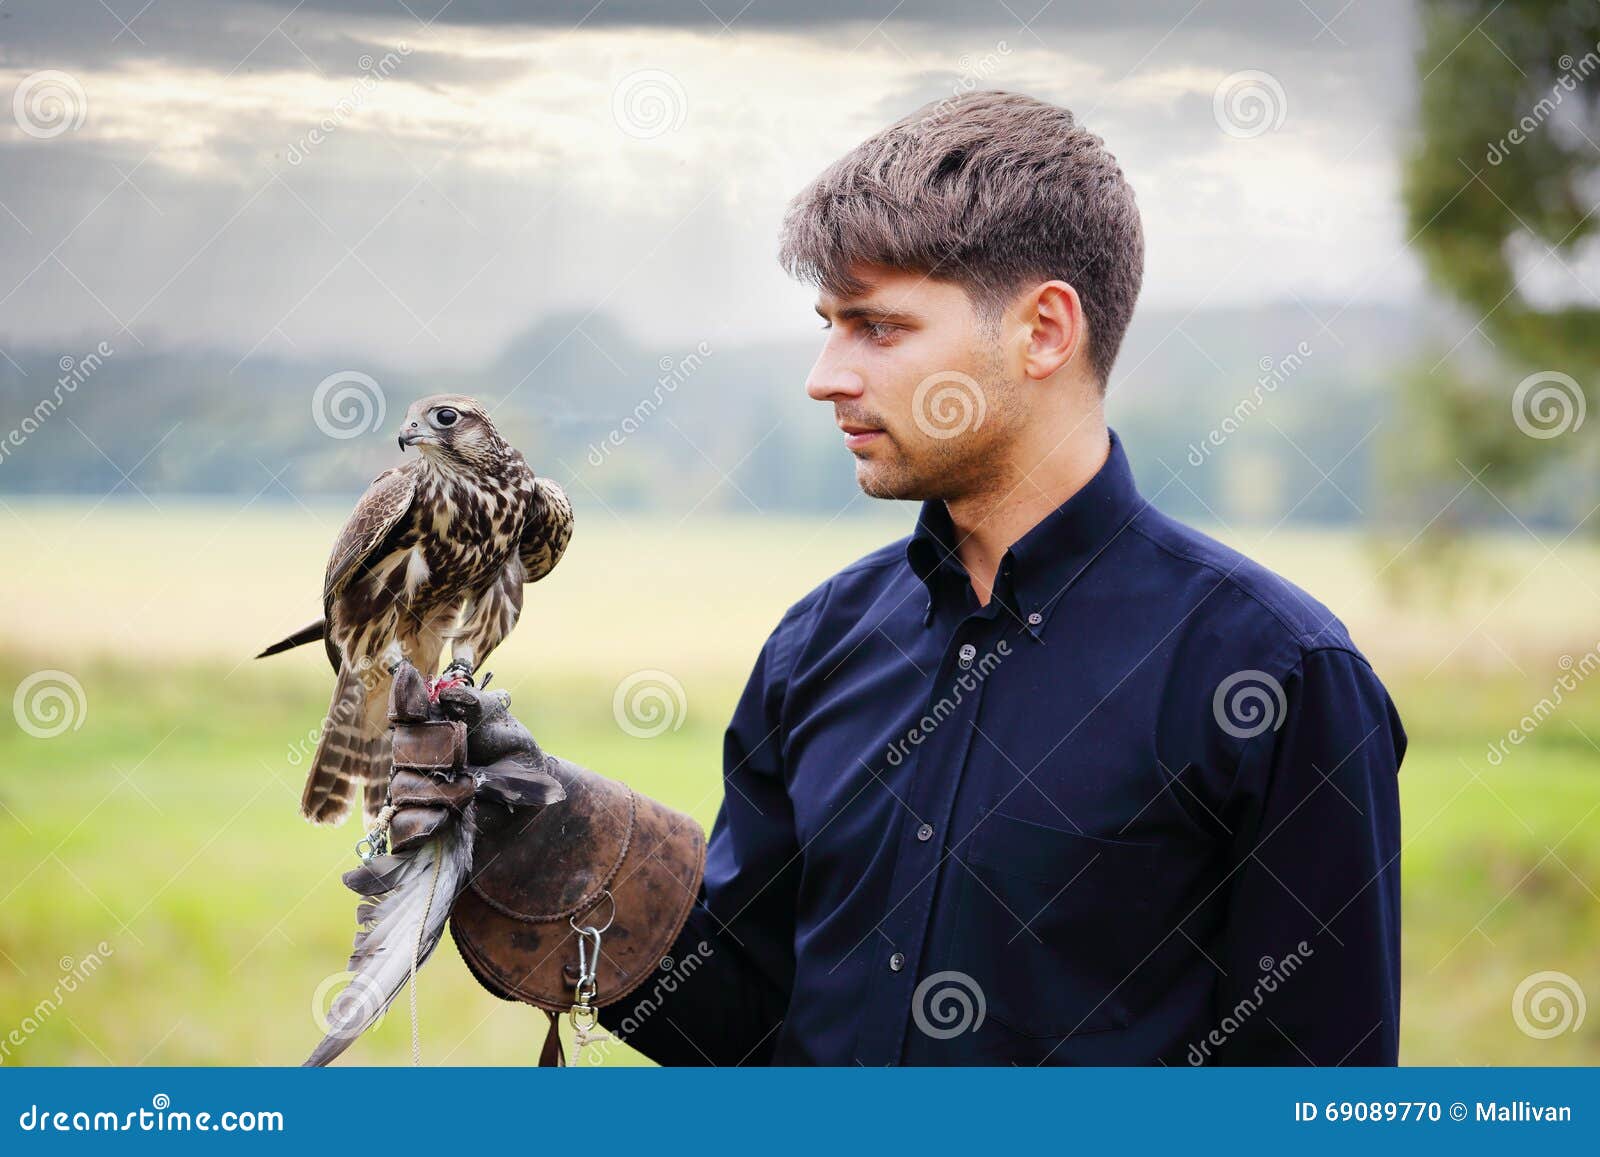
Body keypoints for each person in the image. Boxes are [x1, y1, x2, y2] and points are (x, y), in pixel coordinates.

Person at [592, 90, 1405, 1066]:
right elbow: (753, 1033)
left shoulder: (1275, 674)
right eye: (828, 324)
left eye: (878, 328)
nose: (824, 374)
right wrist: (576, 884)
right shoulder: (816, 647)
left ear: (1044, 330)